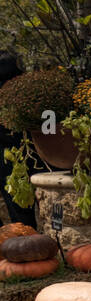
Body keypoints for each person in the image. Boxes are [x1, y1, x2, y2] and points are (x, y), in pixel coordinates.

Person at [0, 52, 36, 227]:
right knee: (21, 208)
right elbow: (50, 122)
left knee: (19, 206)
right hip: (28, 150)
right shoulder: (27, 92)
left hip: (9, 153)